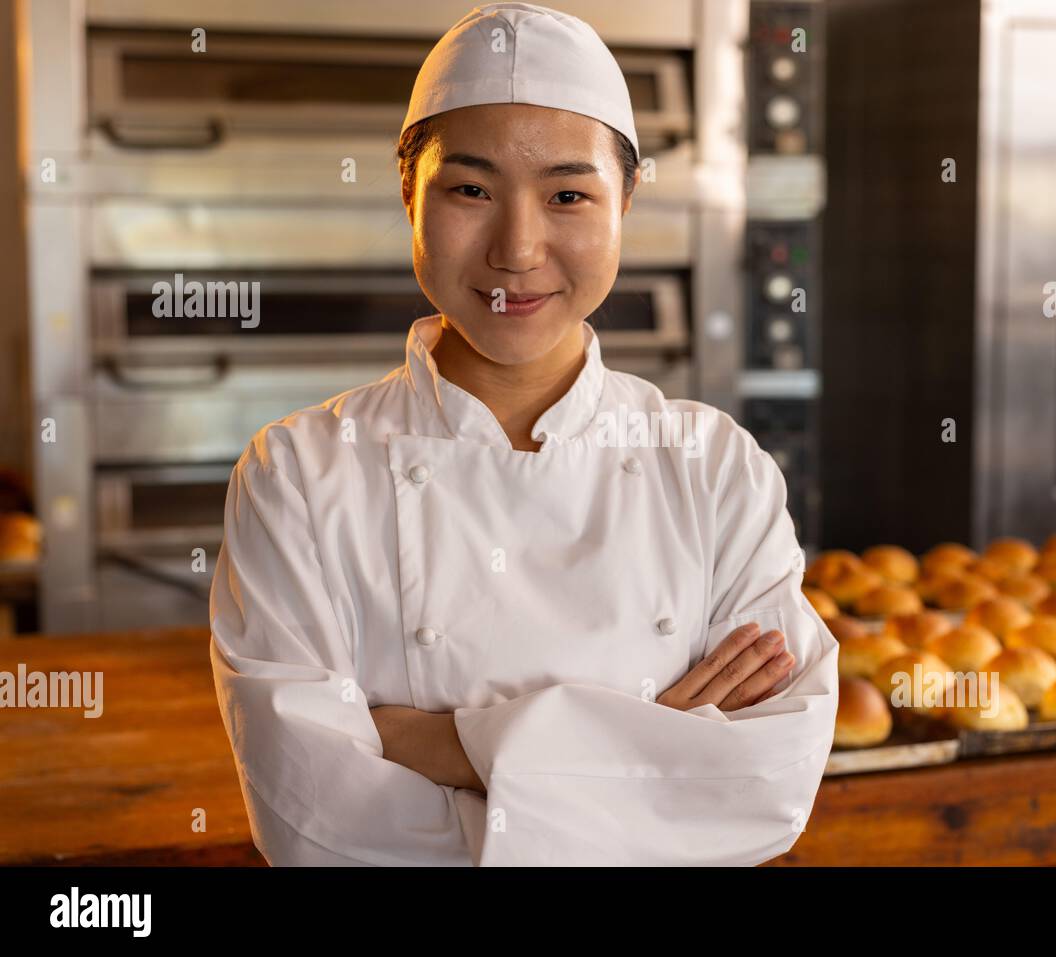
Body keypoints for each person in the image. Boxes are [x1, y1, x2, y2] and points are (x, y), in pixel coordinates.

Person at [209, 1, 838, 866]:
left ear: (628, 200)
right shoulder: (298, 477)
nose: (518, 248)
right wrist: (647, 751)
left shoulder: (718, 470)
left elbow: (765, 788)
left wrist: (432, 743)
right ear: (408, 194)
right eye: (470, 189)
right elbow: (316, 828)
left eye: (568, 194)